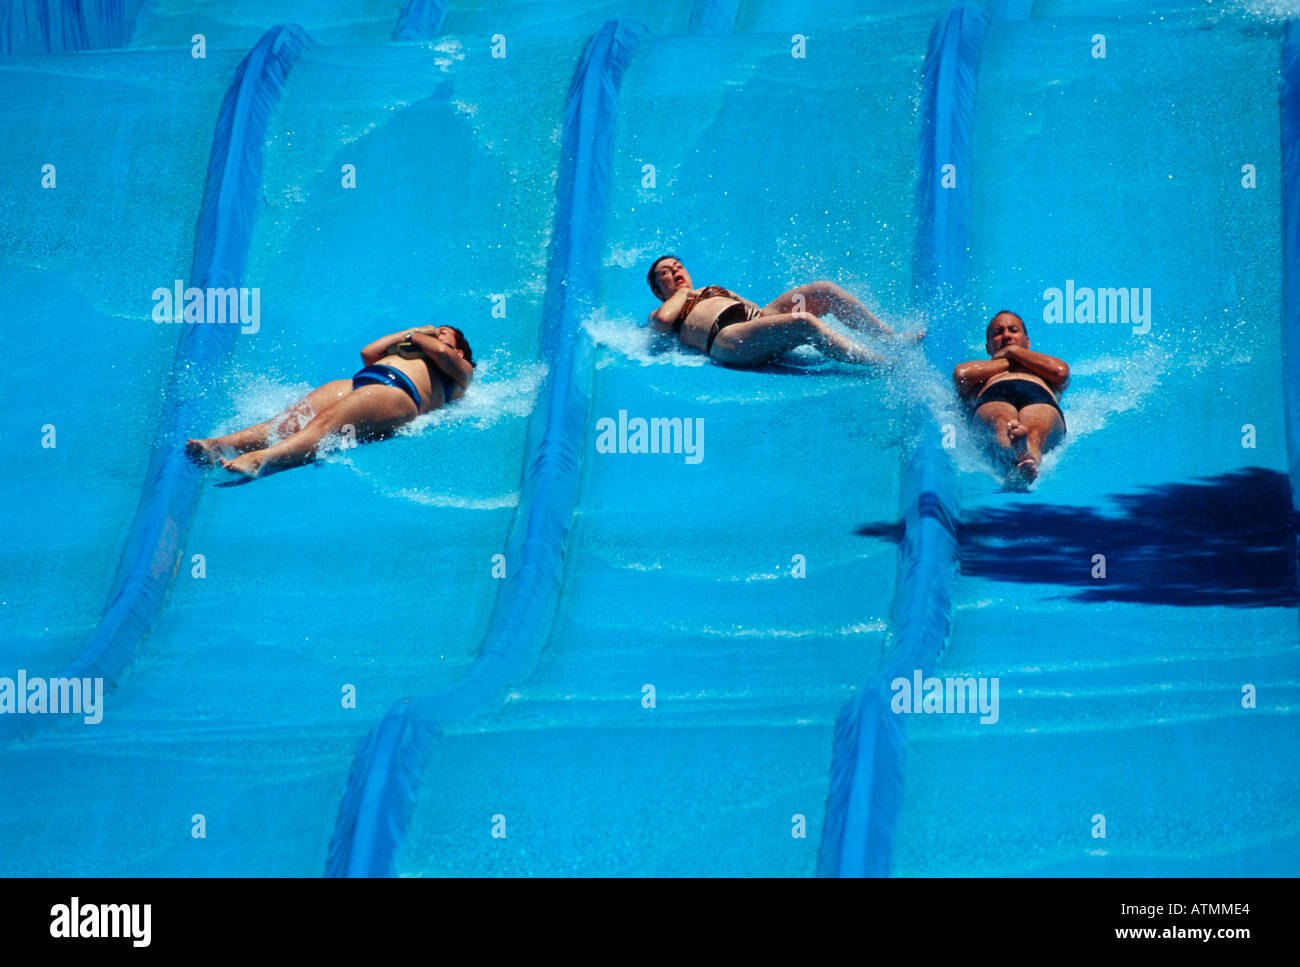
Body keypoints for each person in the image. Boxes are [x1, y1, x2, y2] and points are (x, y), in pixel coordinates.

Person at [186, 324, 474, 480]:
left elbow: (442, 353)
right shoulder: (415, 347)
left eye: (444, 332)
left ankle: (261, 460)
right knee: (286, 423)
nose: (436, 332)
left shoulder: (460, 373)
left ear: (460, 350)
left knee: (321, 427)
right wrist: (405, 335)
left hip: (396, 394)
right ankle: (219, 445)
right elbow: (368, 354)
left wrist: (419, 335)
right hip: (358, 382)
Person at [645, 255, 919, 368]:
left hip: (754, 322)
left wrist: (772, 323)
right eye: (665, 273)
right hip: (726, 339)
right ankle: (880, 363)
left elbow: (745, 303)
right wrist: (681, 294)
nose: (675, 271)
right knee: (804, 323)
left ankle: (890, 337)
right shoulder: (664, 309)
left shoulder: (710, 289)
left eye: (677, 266)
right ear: (658, 290)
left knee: (824, 289)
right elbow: (662, 322)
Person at [952, 310, 1069, 483]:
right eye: (998, 333)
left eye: (1013, 330)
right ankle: (1021, 455)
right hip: (995, 391)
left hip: (1038, 393)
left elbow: (1061, 372)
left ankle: (1026, 454)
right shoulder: (982, 371)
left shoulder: (1045, 370)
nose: (1006, 336)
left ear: (1027, 341)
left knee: (1035, 434)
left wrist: (1013, 352)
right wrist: (1011, 358)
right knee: (1002, 423)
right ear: (988, 347)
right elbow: (961, 375)